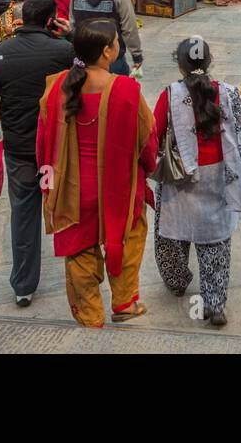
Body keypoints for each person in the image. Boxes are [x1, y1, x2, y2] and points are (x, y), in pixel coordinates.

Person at [37, 19, 157, 327]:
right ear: (107, 51)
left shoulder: (57, 87)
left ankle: (91, 317)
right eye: (116, 42)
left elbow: (43, 143)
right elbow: (147, 140)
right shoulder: (126, 88)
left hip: (71, 188)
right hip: (117, 186)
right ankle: (124, 302)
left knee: (79, 251)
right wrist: (148, 167)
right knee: (128, 236)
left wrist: (47, 184)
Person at [153, 37, 241, 327]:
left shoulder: (170, 95)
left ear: (180, 65)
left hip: (180, 178)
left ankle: (177, 281)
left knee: (172, 235)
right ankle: (214, 305)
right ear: (209, 62)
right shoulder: (227, 93)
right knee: (215, 242)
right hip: (218, 177)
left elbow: (153, 136)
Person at [0, 0, 75, 308]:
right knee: (70, 209)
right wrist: (73, 35)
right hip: (58, 150)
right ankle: (82, 279)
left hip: (19, 150)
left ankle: (23, 286)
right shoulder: (64, 51)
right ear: (51, 20)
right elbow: (92, 69)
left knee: (23, 214)